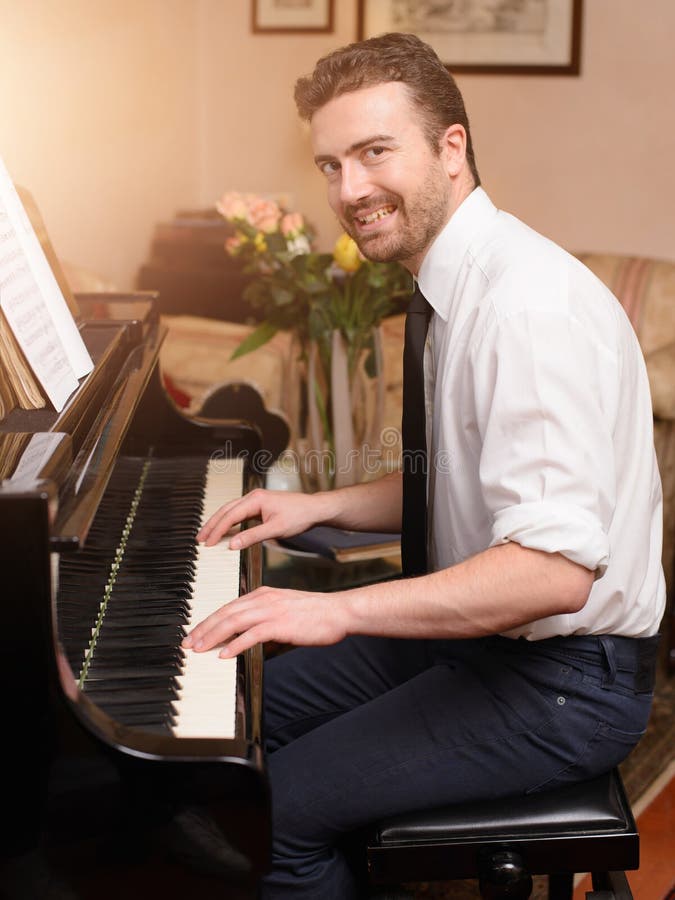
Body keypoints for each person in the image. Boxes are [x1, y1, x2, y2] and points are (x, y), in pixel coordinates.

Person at [183, 32, 666, 899]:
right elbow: (458, 478)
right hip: (485, 644)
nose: (349, 190)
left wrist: (337, 613)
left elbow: (550, 572)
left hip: (564, 681)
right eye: (331, 164)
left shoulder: (524, 309)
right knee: (231, 720)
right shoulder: (455, 281)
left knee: (276, 813)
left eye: (374, 153)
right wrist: (315, 506)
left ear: (452, 148)